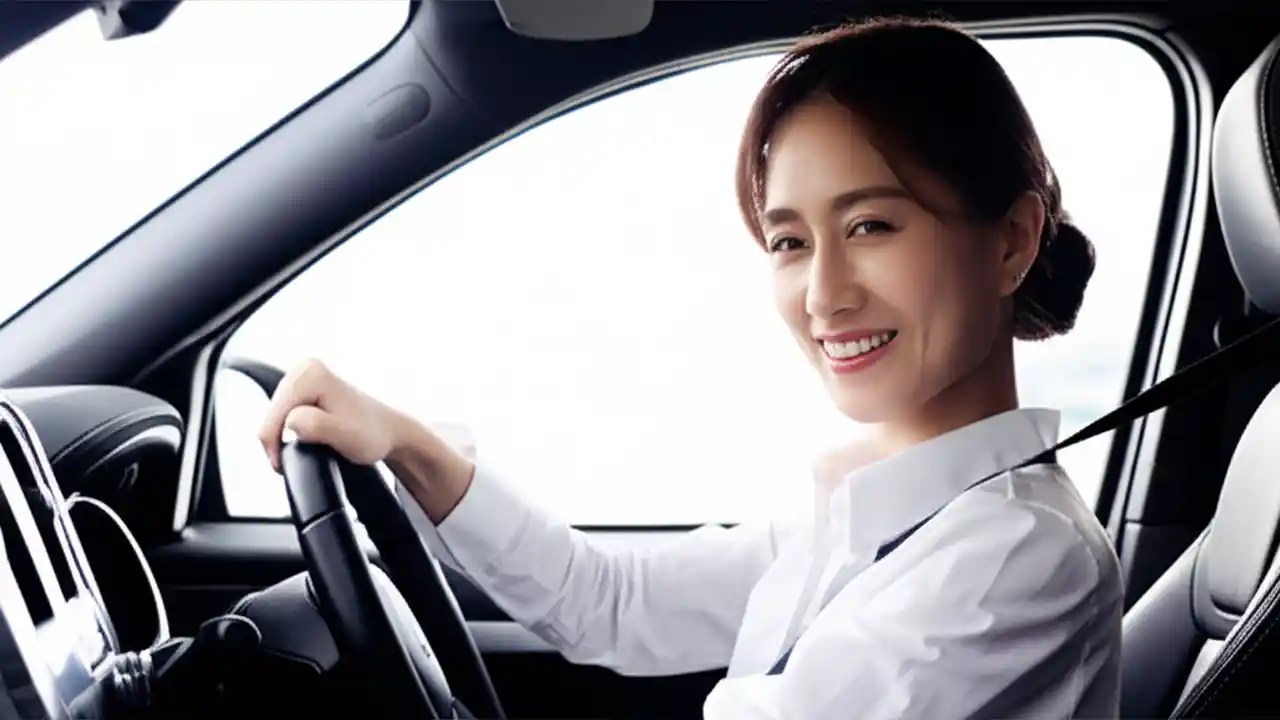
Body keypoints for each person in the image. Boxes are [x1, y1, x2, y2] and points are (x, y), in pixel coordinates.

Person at [258, 16, 1122, 719]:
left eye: (871, 227)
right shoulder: (886, 509)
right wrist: (409, 445)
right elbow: (614, 605)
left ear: (1010, 242)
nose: (823, 295)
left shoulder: (1018, 557)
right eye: (789, 241)